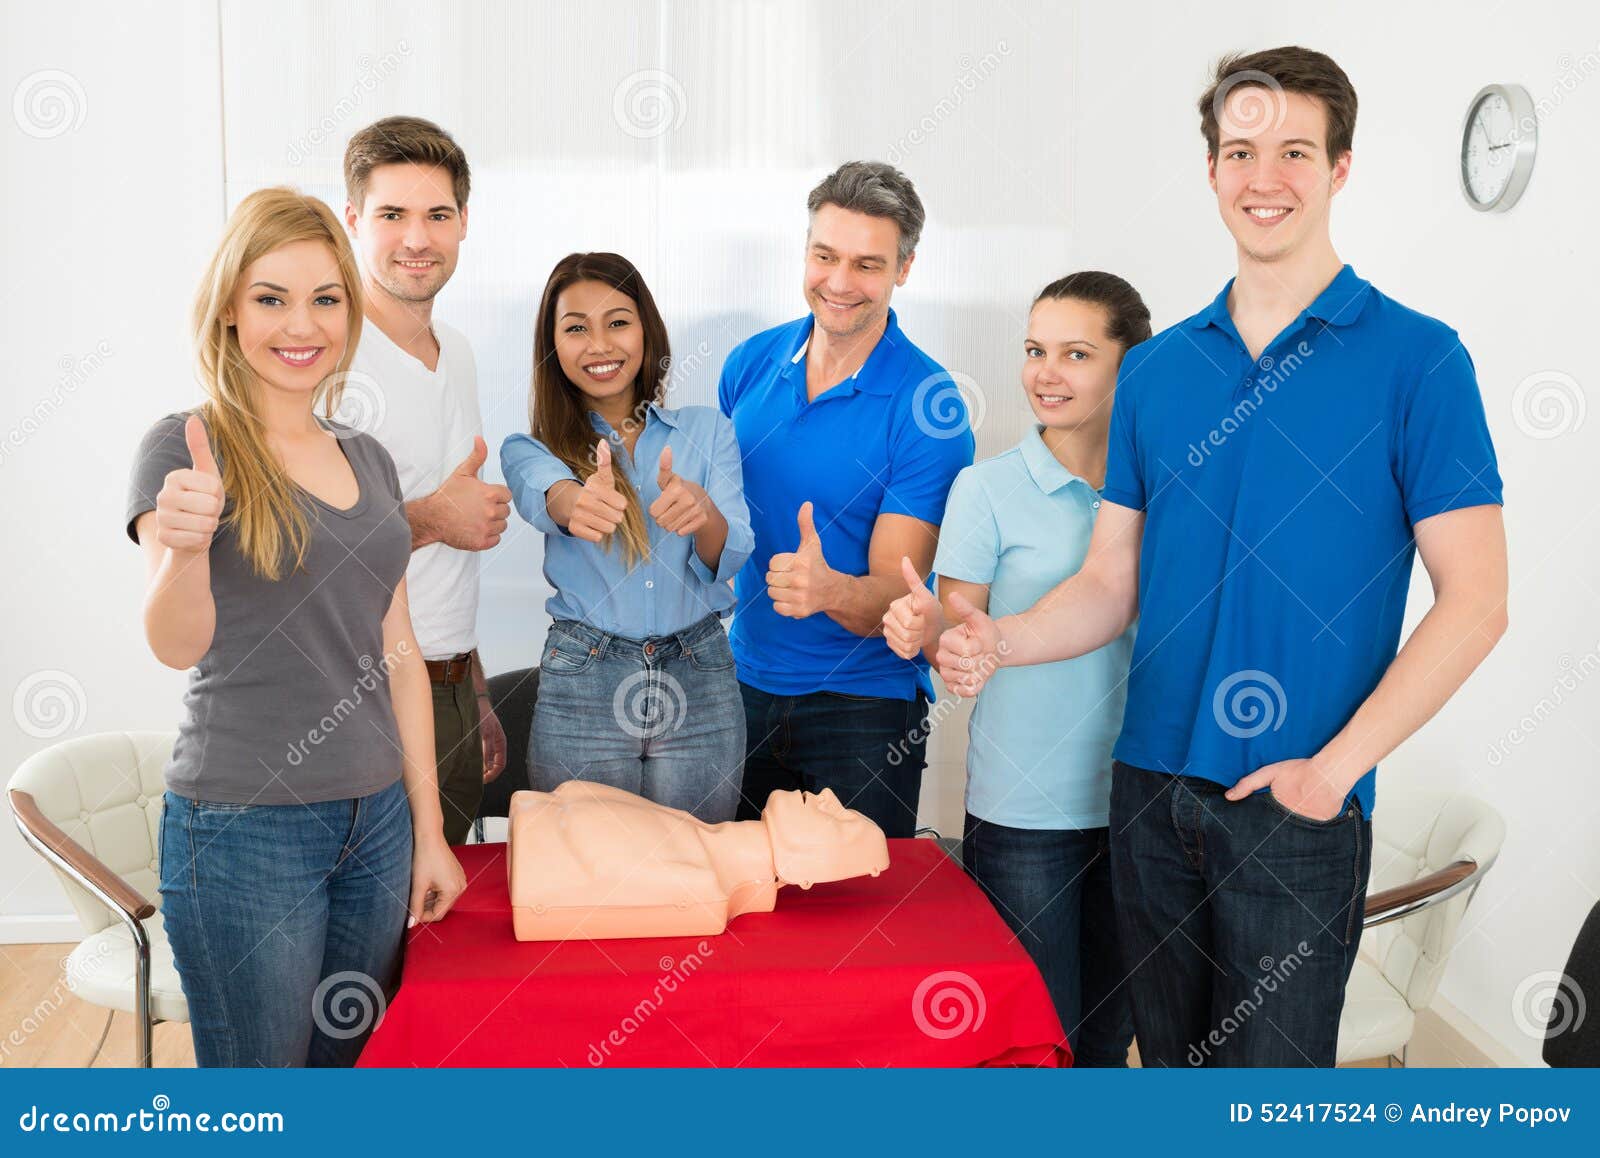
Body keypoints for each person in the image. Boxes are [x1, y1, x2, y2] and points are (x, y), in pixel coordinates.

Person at [935, 46, 1507, 1066]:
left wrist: (1334, 773)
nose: (1263, 177)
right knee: (1171, 1078)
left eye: (1294, 150)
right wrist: (998, 639)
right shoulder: (1155, 371)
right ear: (1209, 172)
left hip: (1296, 807)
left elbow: (1476, 604)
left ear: (1339, 169)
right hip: (1147, 792)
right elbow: (1112, 579)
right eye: (1239, 151)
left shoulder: (1420, 359)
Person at [126, 187, 465, 1067]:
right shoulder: (186, 447)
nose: (298, 324)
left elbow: (398, 653)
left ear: (350, 314)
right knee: (260, 1097)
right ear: (231, 310)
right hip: (244, 829)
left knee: (343, 1074)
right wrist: (187, 546)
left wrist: (427, 830)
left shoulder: (368, 457)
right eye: (270, 298)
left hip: (378, 822)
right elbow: (176, 644)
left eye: (325, 298)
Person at [883, 272, 1147, 1066]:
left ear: (1128, 366)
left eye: (1076, 353)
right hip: (1026, 810)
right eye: (1036, 351)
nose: (1046, 373)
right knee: (1035, 1042)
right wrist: (929, 631)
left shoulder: (1164, 487)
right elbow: (960, 633)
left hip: (1145, 805)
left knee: (1109, 1039)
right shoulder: (986, 488)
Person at [719, 160, 974, 838]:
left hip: (862, 709)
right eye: (824, 255)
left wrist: (830, 590)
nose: (837, 282)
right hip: (740, 689)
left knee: (860, 932)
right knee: (742, 914)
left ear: (904, 268)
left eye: (866, 264)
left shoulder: (929, 406)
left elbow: (901, 590)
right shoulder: (749, 364)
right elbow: (717, 527)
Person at [500, 252, 753, 822]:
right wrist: (577, 501)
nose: (599, 345)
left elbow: (731, 552)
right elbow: (547, 494)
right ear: (553, 345)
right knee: (583, 876)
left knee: (697, 869)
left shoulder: (709, 430)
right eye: (575, 328)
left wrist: (703, 512)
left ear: (646, 330)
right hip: (585, 677)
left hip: (701, 673)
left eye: (617, 321)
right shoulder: (528, 448)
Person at [340, 116, 511, 846]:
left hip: (446, 686)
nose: (417, 238)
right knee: (371, 937)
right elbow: (304, 552)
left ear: (464, 222)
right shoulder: (326, 358)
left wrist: (470, 689)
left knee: (438, 935)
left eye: (437, 215)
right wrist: (436, 517)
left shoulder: (462, 353)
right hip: (359, 698)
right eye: (392, 216)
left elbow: (445, 564)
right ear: (353, 219)